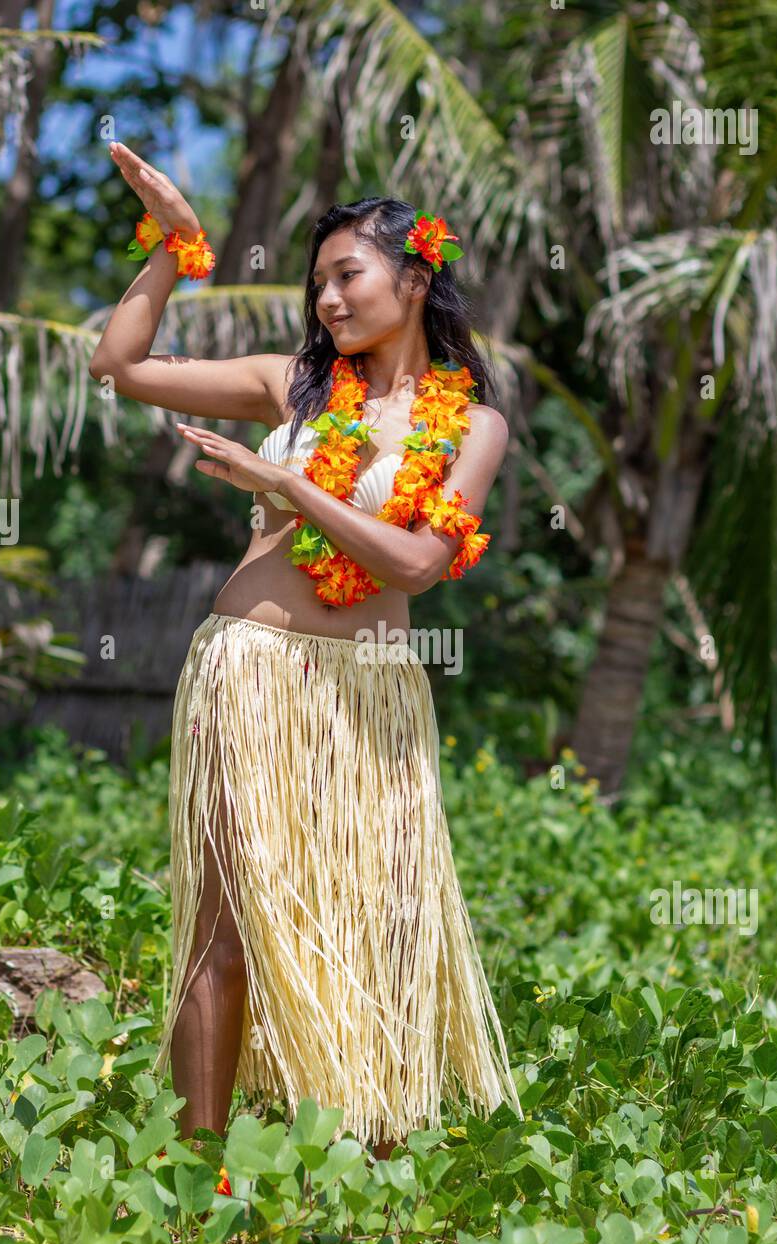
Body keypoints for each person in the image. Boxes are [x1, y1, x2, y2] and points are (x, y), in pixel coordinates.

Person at [89, 141, 523, 1161]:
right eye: (316, 281)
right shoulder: (291, 387)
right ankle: (204, 1179)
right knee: (224, 925)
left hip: (373, 695)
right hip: (250, 672)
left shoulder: (474, 426)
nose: (326, 299)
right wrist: (174, 246)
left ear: (413, 280)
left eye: (347, 275)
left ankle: (368, 1160)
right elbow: (121, 365)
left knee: (379, 927)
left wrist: (291, 490)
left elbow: (416, 564)